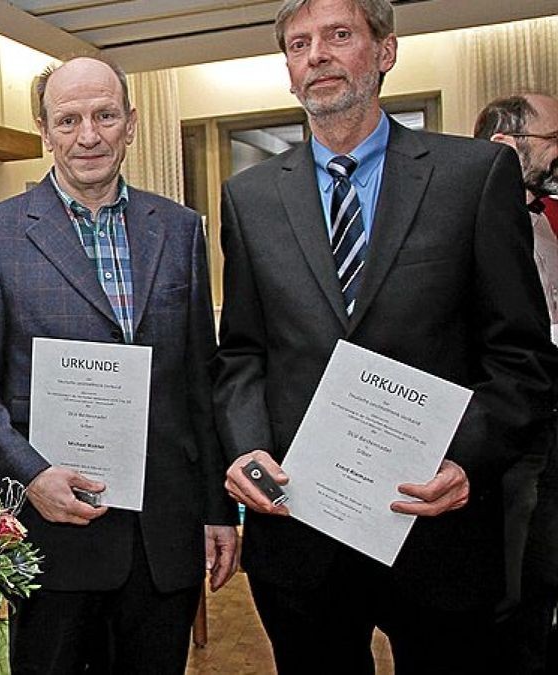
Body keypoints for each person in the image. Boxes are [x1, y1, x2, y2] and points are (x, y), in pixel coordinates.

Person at [213, 0, 556, 672]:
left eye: (340, 35)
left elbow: (521, 359)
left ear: (385, 51)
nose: (317, 55)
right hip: (301, 530)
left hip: (438, 528)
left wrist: (466, 460)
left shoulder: (473, 178)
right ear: (287, 68)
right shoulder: (247, 198)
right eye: (299, 43)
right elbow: (244, 354)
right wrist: (248, 445)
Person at [0, 56, 239, 674]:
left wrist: (216, 508)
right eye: (69, 119)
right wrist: (30, 474)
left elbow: (199, 383)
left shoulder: (181, 230)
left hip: (163, 533)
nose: (88, 135)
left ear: (131, 123)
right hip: (55, 533)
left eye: (105, 115)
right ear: (45, 132)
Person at [475, 93, 558, 674]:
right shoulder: (469, 223)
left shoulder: (547, 220)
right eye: (552, 141)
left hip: (548, 427)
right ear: (508, 148)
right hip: (500, 443)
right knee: (505, 590)